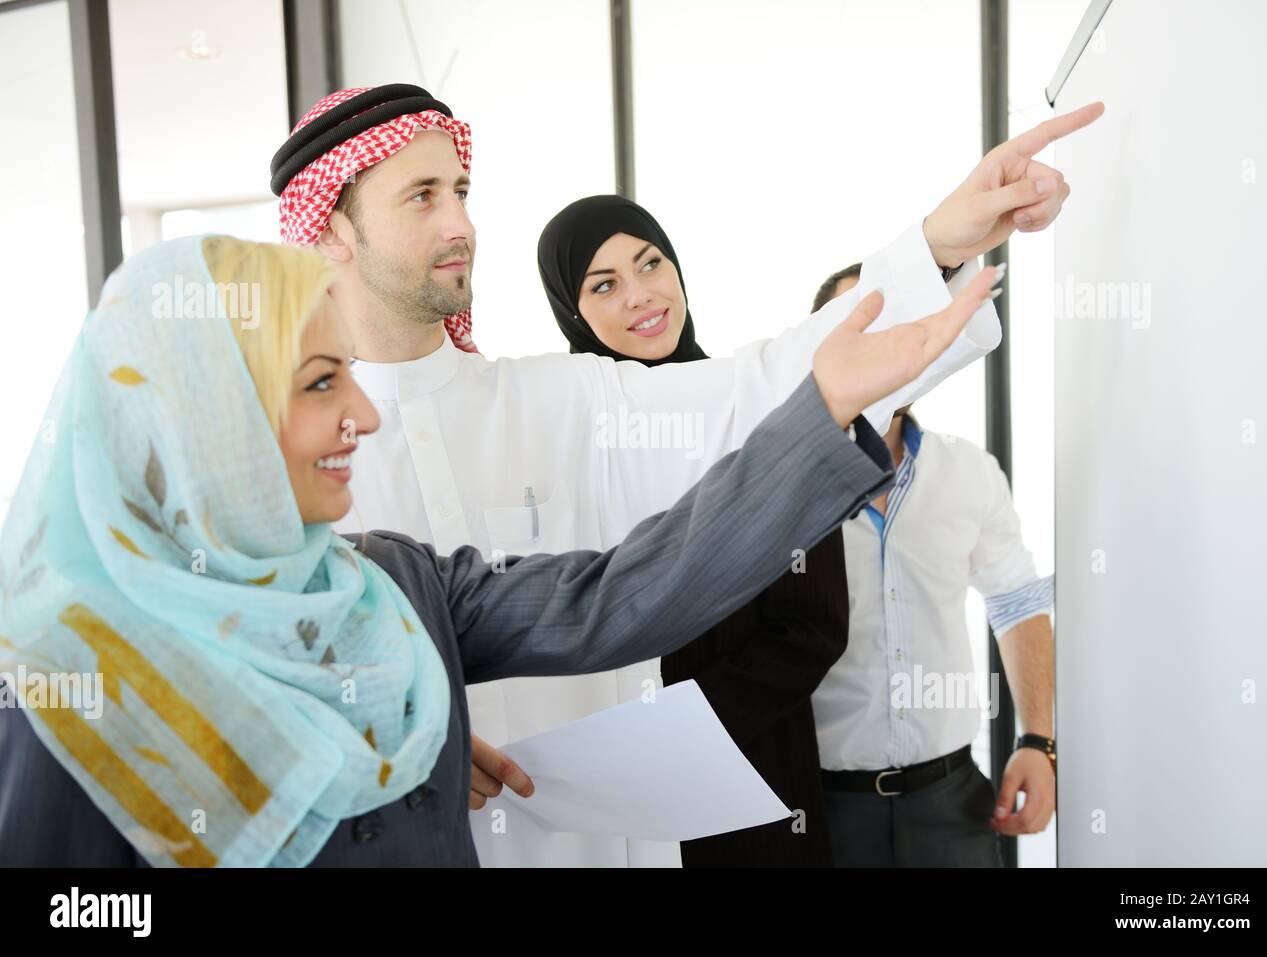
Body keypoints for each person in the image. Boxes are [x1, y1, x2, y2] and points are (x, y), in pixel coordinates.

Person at [269, 82, 1100, 866]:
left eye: (462, 191)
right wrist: (424, 745)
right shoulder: (277, 462)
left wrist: (935, 246)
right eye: (423, 197)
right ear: (334, 228)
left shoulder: (564, 398)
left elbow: (751, 387)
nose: (460, 222)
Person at [0, 234, 1000, 867]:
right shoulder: (58, 685)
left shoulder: (388, 585)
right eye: (318, 384)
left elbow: (623, 594)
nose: (363, 415)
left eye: (349, 374)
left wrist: (825, 407)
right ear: (205, 423)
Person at [537, 194, 846, 866]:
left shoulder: (756, 410)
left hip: (750, 775)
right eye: (605, 284)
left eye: (651, 264)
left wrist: (667, 739)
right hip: (606, 794)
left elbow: (814, 622)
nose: (642, 296)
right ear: (571, 310)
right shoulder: (567, 440)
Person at [808, 264, 1056, 867]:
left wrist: (1038, 741)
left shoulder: (969, 472)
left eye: (896, 328)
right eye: (859, 331)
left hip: (954, 806)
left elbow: (1015, 599)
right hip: (820, 810)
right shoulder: (780, 482)